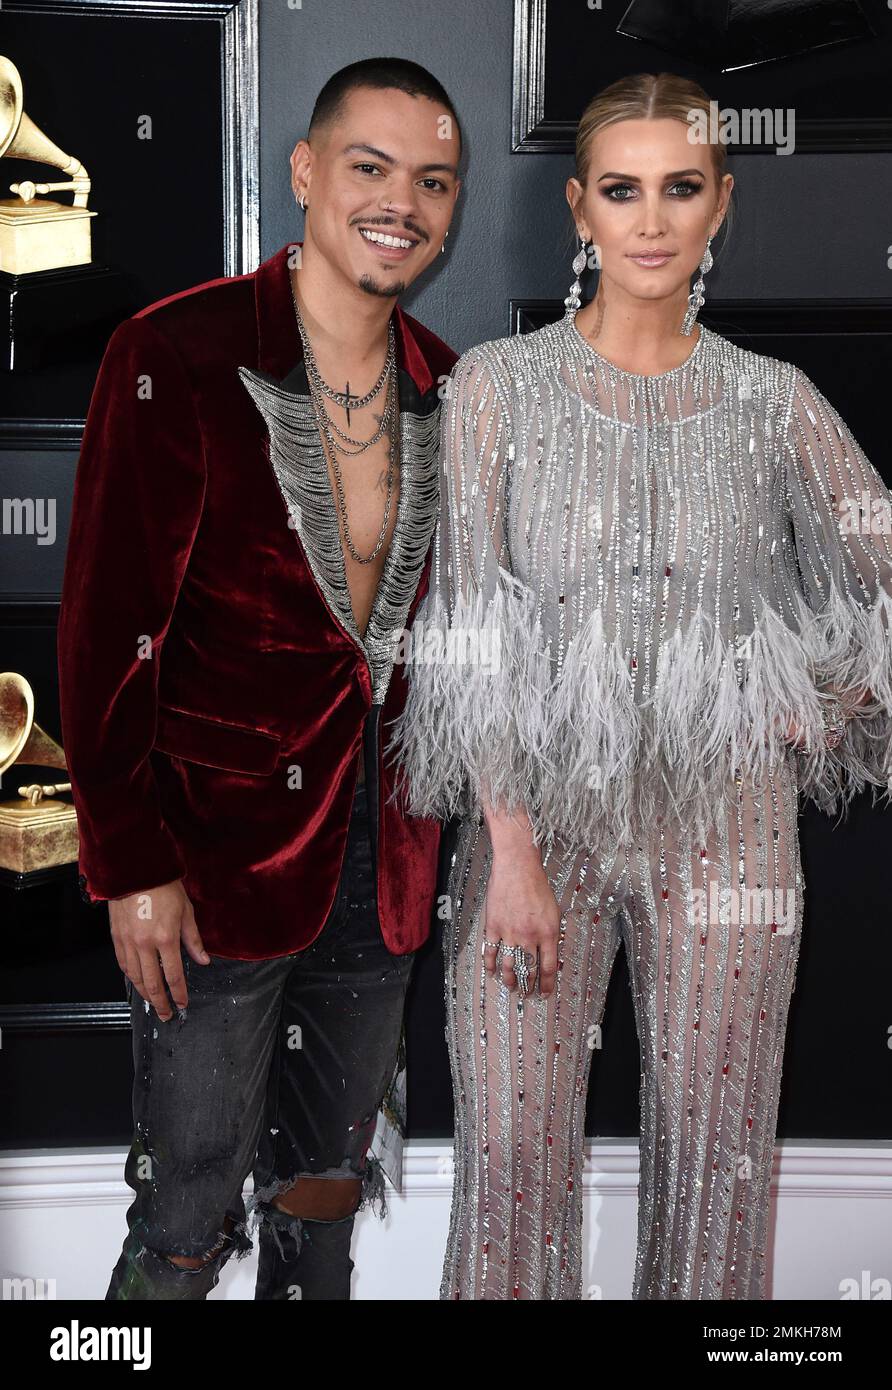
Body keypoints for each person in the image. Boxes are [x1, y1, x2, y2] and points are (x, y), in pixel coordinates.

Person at [385, 72, 892, 1300]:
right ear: (580, 209)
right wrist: (507, 846)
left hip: (729, 832)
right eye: (623, 190)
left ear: (719, 204)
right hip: (532, 829)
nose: (651, 220)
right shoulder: (494, 391)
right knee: (510, 1167)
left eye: (680, 190)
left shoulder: (776, 405)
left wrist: (812, 695)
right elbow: (462, 632)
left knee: (719, 1166)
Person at [56, 56, 461, 1300]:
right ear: (304, 173)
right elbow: (103, 631)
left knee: (322, 1210)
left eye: (433, 181)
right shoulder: (172, 352)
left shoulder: (449, 381)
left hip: (379, 870)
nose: (403, 202)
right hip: (212, 872)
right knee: (181, 1221)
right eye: (370, 167)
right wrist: (131, 868)